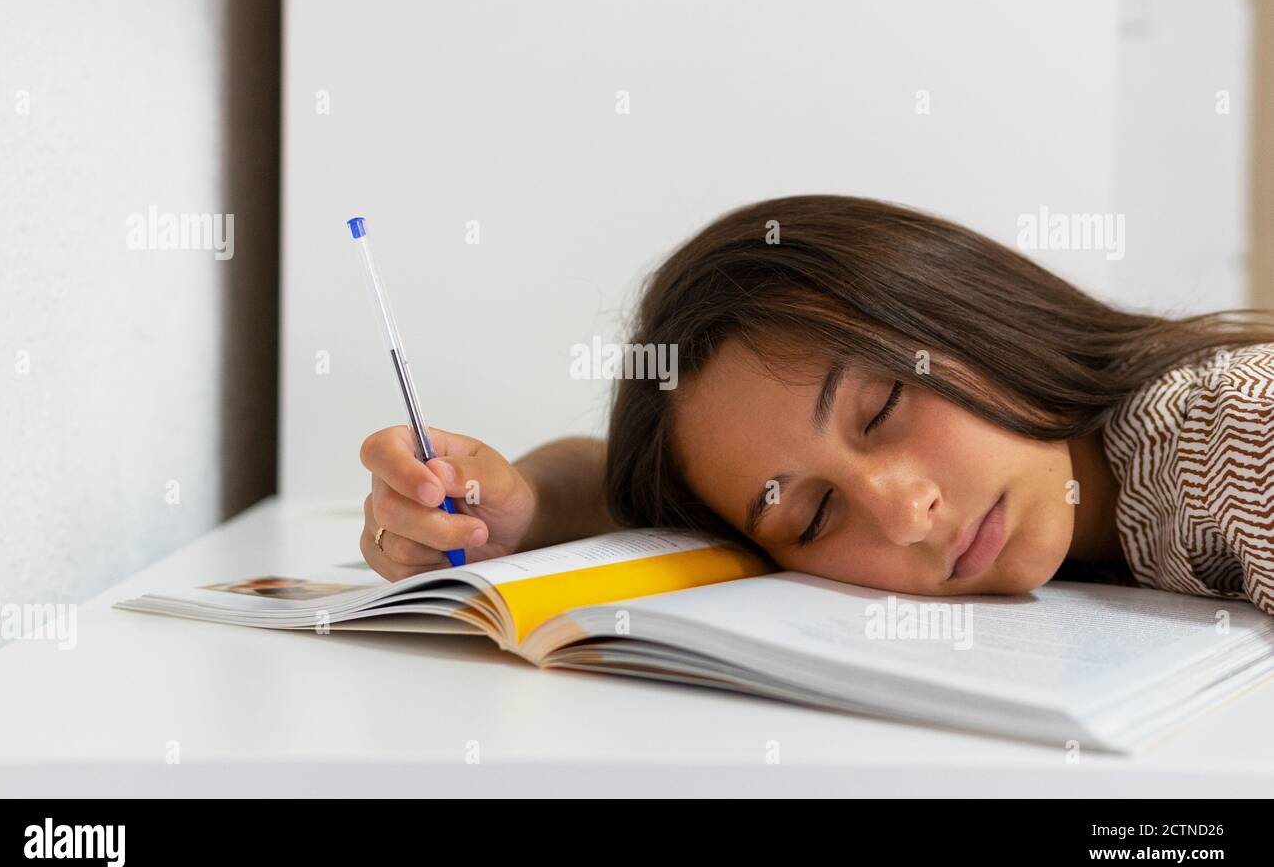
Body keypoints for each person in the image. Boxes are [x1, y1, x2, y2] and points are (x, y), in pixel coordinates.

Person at [358, 195, 1274, 617]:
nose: (903, 510)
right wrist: (531, 502)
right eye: (816, 512)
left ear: (970, 313)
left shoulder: (1231, 432)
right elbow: (638, 486)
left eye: (880, 411)